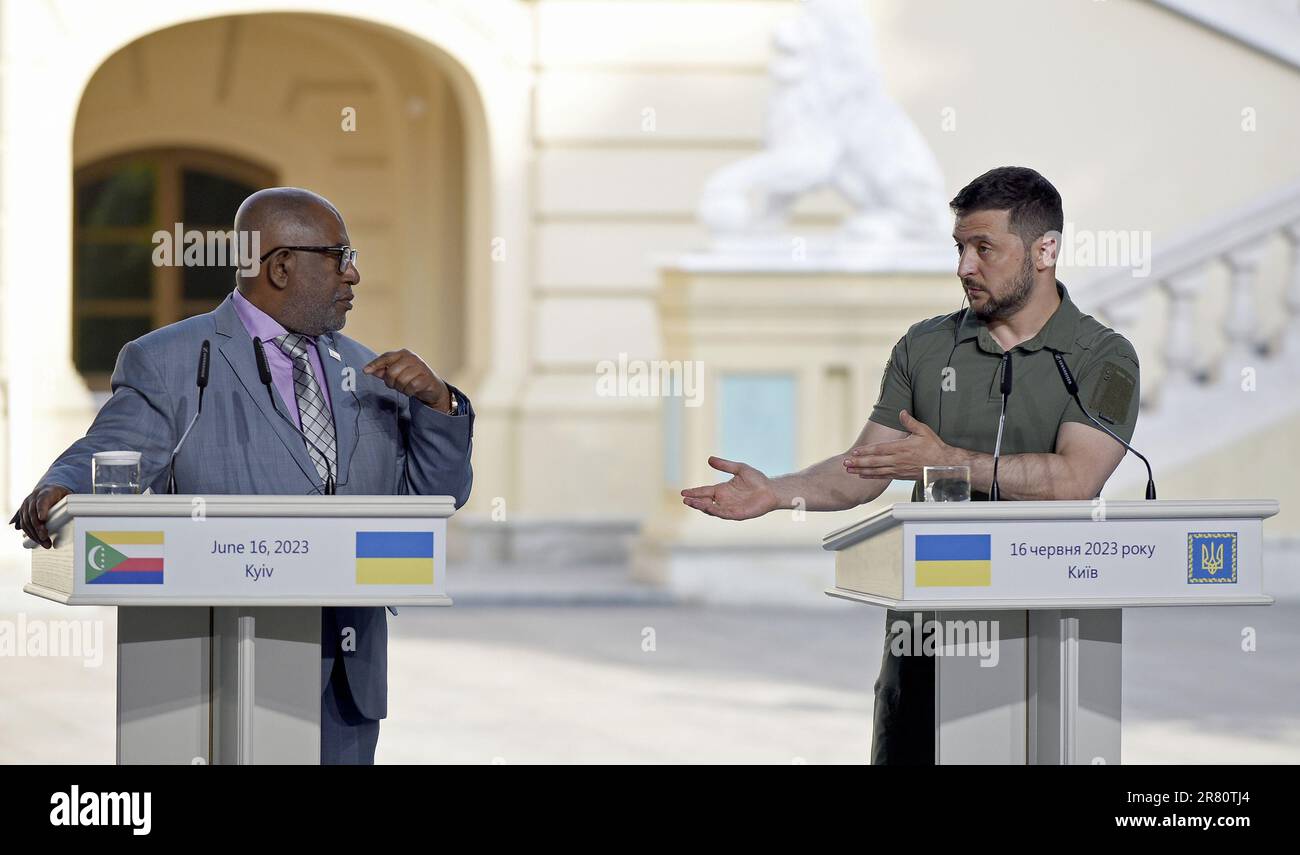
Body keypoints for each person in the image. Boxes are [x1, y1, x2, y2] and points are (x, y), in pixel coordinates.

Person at [680, 166, 1140, 764]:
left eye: (984, 249)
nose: (964, 268)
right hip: (927, 627)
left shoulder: (1103, 356)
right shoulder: (925, 348)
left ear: (1045, 250)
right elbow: (862, 469)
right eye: (959, 248)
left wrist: (948, 461)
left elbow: (1076, 481)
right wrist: (776, 492)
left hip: (1044, 629)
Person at [10, 187, 473, 764]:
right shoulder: (173, 360)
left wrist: (441, 407)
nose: (353, 274)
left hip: (345, 683)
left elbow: (437, 497)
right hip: (221, 670)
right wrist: (62, 489)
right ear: (281, 265)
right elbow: (111, 448)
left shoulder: (369, 368)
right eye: (340, 256)